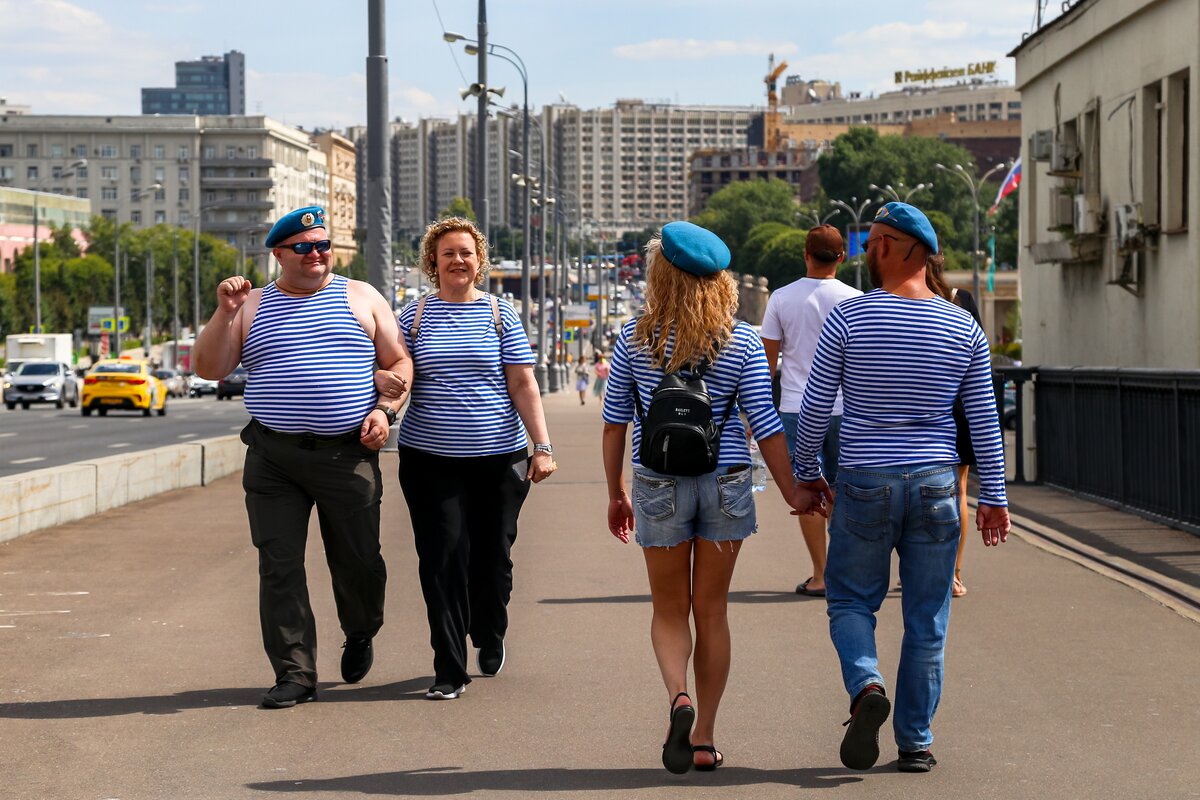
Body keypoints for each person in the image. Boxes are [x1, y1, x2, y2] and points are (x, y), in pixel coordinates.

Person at [793, 202, 1010, 773]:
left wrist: (806, 473)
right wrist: (994, 497)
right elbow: (983, 421)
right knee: (927, 618)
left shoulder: (850, 317)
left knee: (849, 600)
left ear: (889, 246)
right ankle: (915, 742)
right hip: (937, 484)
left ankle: (867, 685)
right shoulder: (964, 327)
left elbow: (814, 409)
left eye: (872, 241)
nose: (867, 250)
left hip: (865, 479)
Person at [602, 221, 820, 774]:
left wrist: (616, 492)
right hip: (726, 484)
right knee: (713, 611)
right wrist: (794, 489)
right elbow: (765, 424)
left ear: (660, 275)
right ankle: (703, 737)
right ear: (719, 280)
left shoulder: (634, 338)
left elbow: (614, 423)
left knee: (668, 609)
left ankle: (679, 696)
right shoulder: (740, 340)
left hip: (657, 482)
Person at [192, 206, 412, 709]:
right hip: (275, 458)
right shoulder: (250, 305)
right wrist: (224, 312)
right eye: (304, 247)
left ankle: (361, 630)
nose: (317, 254)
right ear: (278, 254)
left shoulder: (362, 296)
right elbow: (208, 368)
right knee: (279, 565)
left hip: (347, 454)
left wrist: (385, 411)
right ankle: (294, 673)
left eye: (323, 245)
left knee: (359, 561)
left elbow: (399, 361)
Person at [374, 216, 554, 701]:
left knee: (493, 561)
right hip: (430, 461)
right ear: (432, 262)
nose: (458, 260)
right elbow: (397, 372)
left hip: (499, 460)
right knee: (442, 559)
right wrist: (384, 395)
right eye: (448, 253)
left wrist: (542, 446)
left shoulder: (500, 313)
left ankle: (490, 630)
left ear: (480, 262)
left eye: (466, 253)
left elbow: (522, 382)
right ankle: (449, 669)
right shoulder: (412, 316)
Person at [760, 224, 861, 597]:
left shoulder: (781, 298)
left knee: (807, 488)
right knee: (842, 491)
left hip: (796, 408)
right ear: (841, 257)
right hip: (847, 409)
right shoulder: (857, 299)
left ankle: (820, 575)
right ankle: (844, 573)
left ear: (805, 254)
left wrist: (757, 416)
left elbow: (767, 365)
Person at [925, 255, 982, 598]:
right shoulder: (961, 302)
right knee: (957, 491)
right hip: (959, 409)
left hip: (920, 412)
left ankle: (919, 566)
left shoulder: (905, 302)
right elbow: (978, 364)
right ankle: (953, 574)